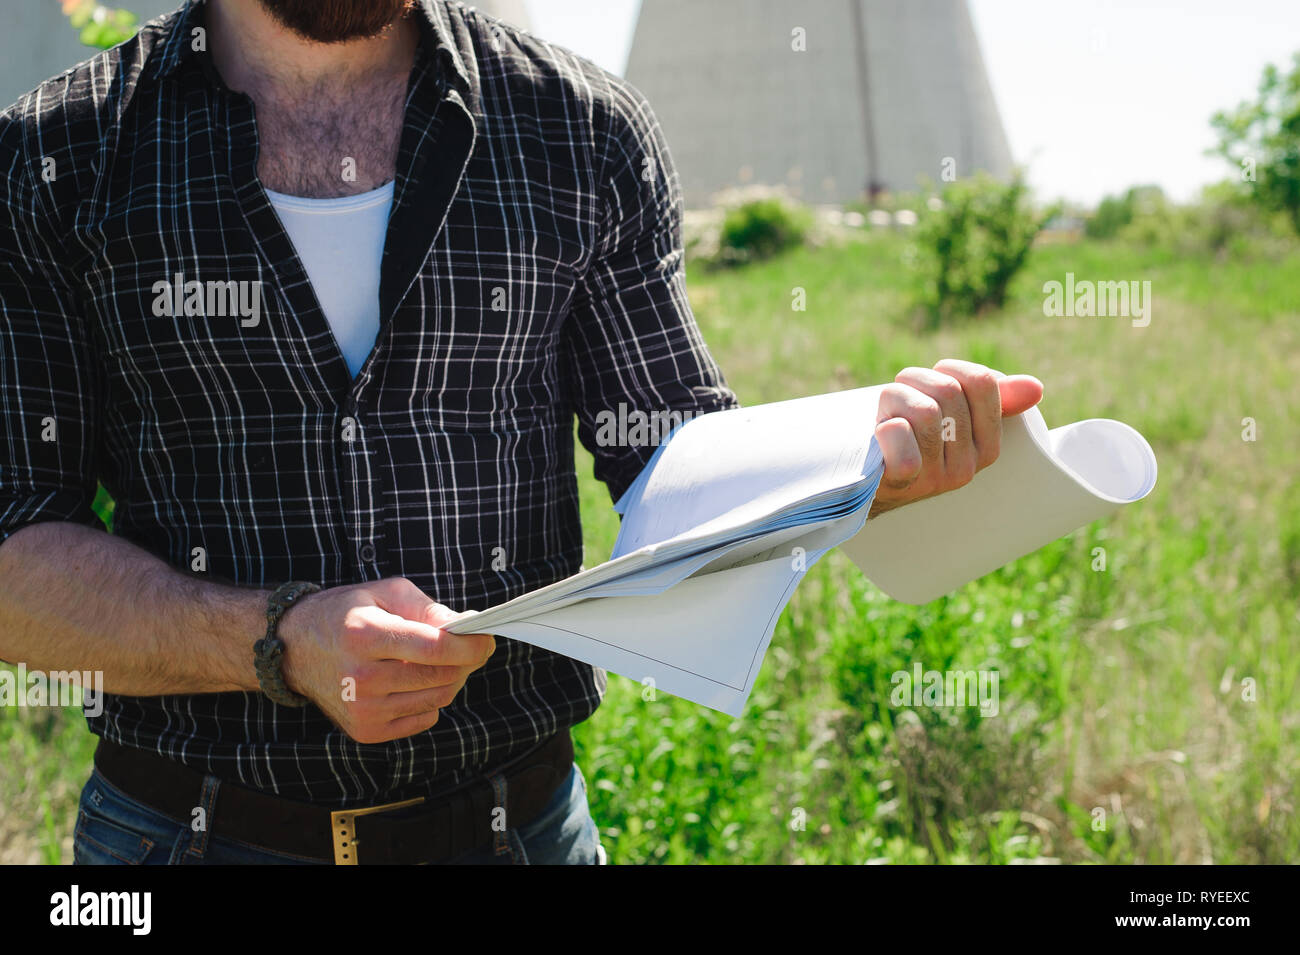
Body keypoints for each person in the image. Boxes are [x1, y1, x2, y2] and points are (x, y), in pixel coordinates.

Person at [0, 0, 1043, 865]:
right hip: (176, 840)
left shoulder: (579, 127)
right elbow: (14, 555)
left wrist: (852, 466)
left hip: (519, 831)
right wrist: (276, 641)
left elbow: (675, 460)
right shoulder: (57, 155)